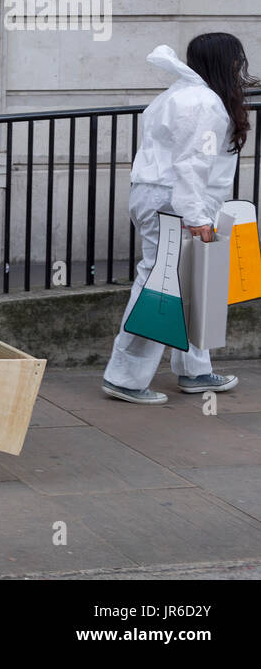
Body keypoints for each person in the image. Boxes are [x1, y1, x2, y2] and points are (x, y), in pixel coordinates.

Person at [103, 33, 257, 403]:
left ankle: (195, 370)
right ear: (226, 62)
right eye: (237, 60)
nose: (240, 67)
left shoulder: (180, 94)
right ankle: (125, 377)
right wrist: (196, 216)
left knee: (184, 282)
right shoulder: (202, 102)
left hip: (162, 197)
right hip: (175, 201)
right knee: (162, 285)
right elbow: (191, 164)